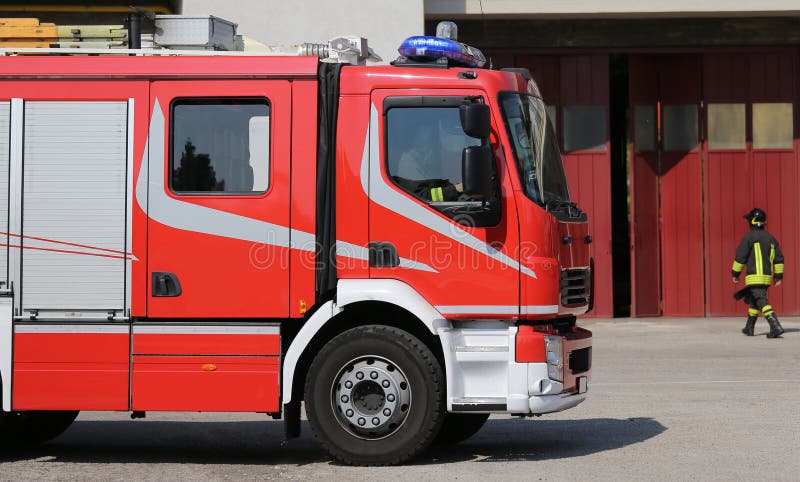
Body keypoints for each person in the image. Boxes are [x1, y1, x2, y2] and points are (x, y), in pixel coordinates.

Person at [732, 208, 785, 338]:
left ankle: (775, 326)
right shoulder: (771, 238)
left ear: (752, 222)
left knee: (761, 301)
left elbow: (740, 257)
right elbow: (779, 259)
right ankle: (749, 328)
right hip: (766, 277)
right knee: (754, 300)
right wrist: (778, 276)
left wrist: (735, 273)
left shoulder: (749, 237)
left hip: (754, 277)